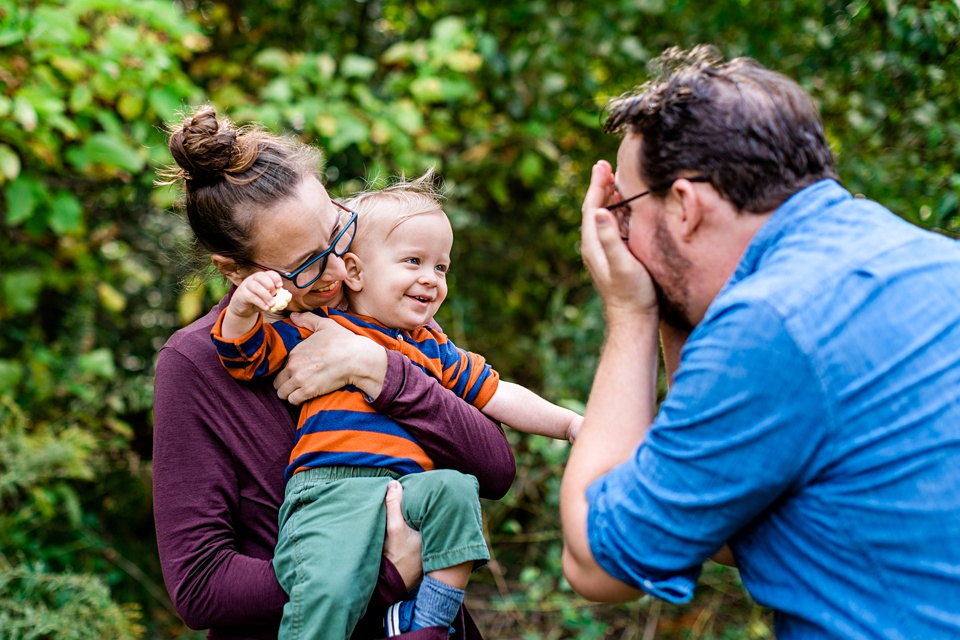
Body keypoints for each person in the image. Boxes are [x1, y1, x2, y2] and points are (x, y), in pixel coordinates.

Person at [560, 45, 960, 639]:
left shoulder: (773, 324)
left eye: (626, 206)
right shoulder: (925, 259)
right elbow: (704, 508)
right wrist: (672, 307)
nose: (620, 229)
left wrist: (631, 313)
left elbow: (598, 562)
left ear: (686, 205)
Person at [152, 105, 517, 640]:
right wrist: (382, 572)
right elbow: (201, 587)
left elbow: (494, 469)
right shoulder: (195, 364)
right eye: (302, 264)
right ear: (236, 269)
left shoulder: (379, 303)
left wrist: (381, 371)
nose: (332, 270)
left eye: (336, 232)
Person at [211, 171, 581, 639]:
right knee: (328, 591)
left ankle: (424, 623)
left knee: (456, 490)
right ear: (357, 271)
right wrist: (243, 310)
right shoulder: (317, 324)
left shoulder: (436, 348)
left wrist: (571, 425)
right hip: (334, 490)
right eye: (413, 261)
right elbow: (245, 357)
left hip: (406, 493)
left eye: (441, 267)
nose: (431, 278)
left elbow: (499, 394)